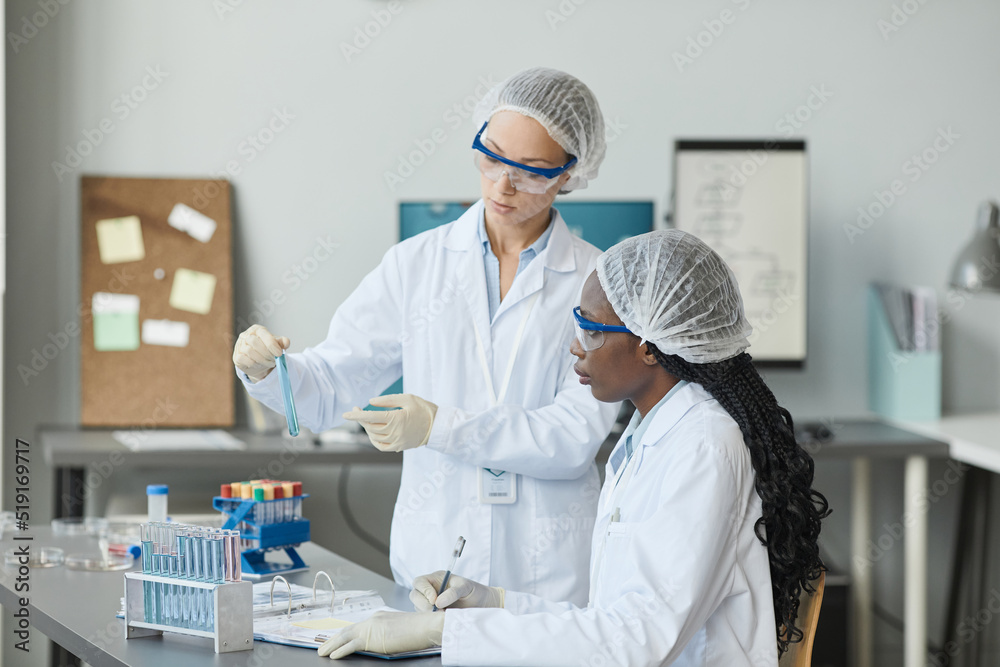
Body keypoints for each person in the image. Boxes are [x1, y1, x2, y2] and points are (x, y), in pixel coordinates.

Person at [317, 230, 831, 666]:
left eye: (590, 328)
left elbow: (635, 641)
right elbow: (610, 622)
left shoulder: (704, 446)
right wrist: (490, 604)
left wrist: (443, 636)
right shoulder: (651, 430)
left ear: (649, 345)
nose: (574, 346)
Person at [232, 67, 619, 606]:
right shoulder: (416, 266)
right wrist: (267, 370)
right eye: (491, 156)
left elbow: (571, 439)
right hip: (434, 567)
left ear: (570, 173)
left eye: (530, 171)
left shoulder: (597, 284)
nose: (502, 184)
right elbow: (329, 387)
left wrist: (441, 425)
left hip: (544, 579)